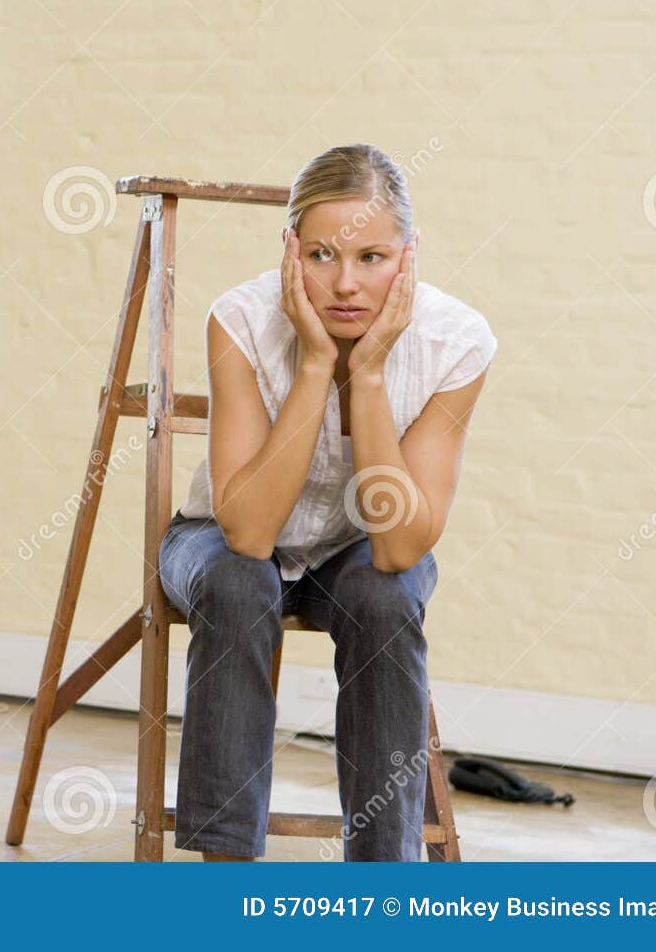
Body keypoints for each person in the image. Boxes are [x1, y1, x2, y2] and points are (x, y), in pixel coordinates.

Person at [158, 143, 497, 861]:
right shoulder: (242, 318)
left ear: (408, 255)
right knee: (237, 578)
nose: (345, 284)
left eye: (371, 257)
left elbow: (401, 548)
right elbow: (247, 532)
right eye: (320, 255)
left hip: (355, 548)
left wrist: (367, 374)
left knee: (384, 595)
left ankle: (382, 875)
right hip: (218, 539)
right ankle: (225, 868)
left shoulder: (456, 340)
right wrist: (317, 363)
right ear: (290, 249)